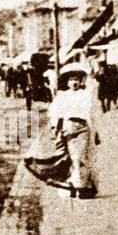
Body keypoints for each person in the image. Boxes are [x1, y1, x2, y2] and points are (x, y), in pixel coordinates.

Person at [45, 67, 101, 198]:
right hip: (69, 128)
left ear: (80, 81)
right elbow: (56, 113)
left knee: (80, 157)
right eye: (71, 80)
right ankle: (79, 185)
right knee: (72, 157)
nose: (74, 82)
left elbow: (92, 113)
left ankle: (82, 186)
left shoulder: (85, 94)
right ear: (67, 82)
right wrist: (56, 129)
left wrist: (96, 131)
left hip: (83, 128)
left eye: (76, 79)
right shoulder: (63, 96)